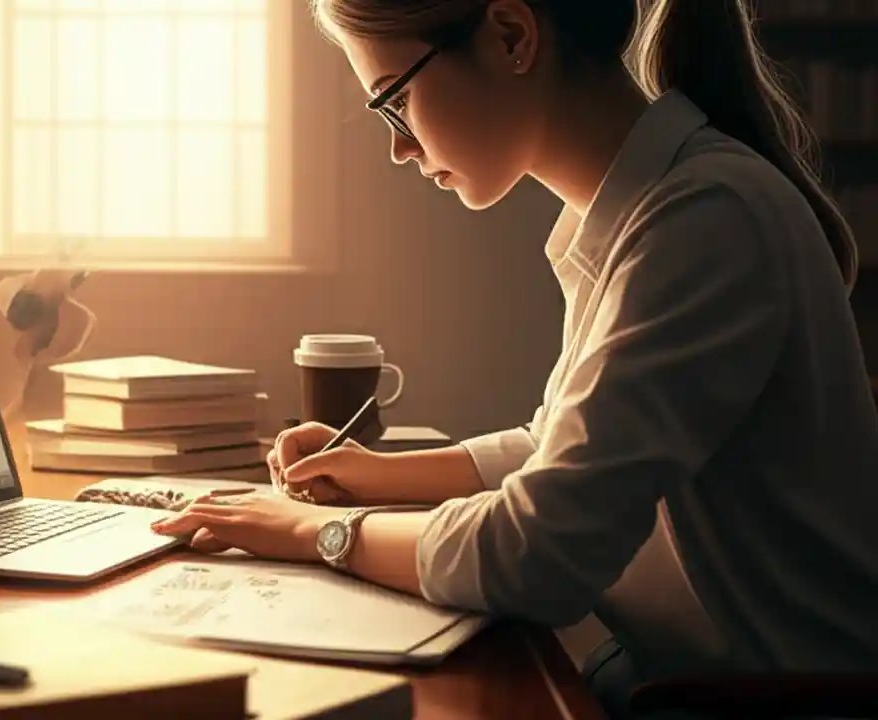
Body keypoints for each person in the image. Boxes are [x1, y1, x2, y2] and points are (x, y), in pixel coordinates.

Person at [149, 0, 878, 716]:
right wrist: (378, 476)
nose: (398, 146)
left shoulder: (705, 219)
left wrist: (319, 535)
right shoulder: (637, 210)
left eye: (393, 101)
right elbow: (557, 445)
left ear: (510, 35)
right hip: (673, 675)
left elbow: (540, 552)